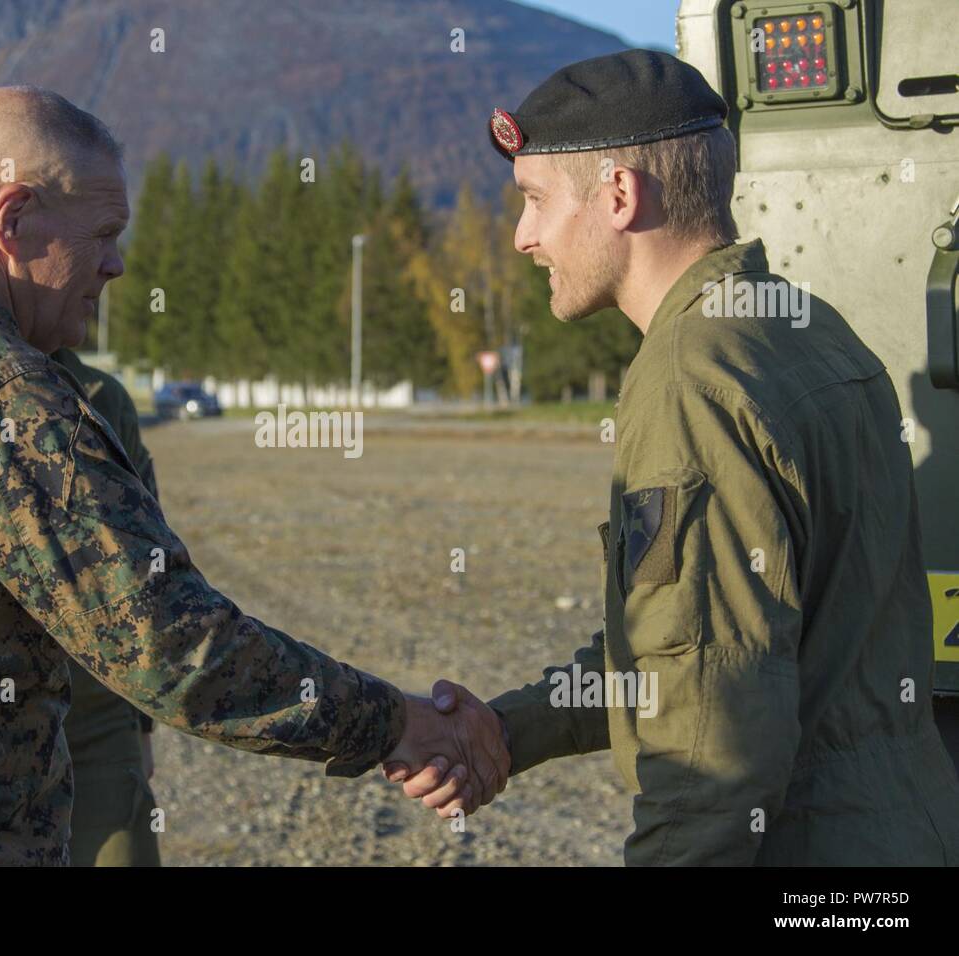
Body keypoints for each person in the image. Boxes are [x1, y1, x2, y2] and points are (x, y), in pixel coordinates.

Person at [0, 86, 508, 866]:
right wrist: (392, 723)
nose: (115, 267)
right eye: (104, 235)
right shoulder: (0, 396)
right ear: (14, 217)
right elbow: (170, 644)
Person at [389, 50, 959, 865]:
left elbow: (710, 757)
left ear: (618, 196)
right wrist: (507, 730)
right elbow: (688, 644)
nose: (523, 238)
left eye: (535, 202)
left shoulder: (693, 378)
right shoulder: (803, 324)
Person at [50, 346, 160, 867]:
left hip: (95, 722)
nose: (112, 266)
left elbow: (149, 587)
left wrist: (140, 725)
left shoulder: (101, 402)